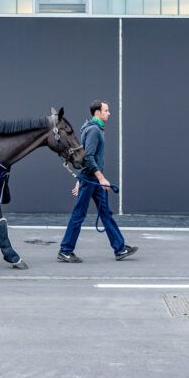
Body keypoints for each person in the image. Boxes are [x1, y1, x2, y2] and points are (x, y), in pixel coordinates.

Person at [57, 100, 137, 262]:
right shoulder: (94, 130)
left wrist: (83, 179)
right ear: (97, 112)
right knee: (79, 215)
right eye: (106, 110)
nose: (109, 113)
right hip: (91, 179)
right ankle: (65, 250)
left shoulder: (95, 128)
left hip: (92, 179)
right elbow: (88, 157)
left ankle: (120, 248)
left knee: (106, 213)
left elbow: (85, 157)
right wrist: (100, 178)